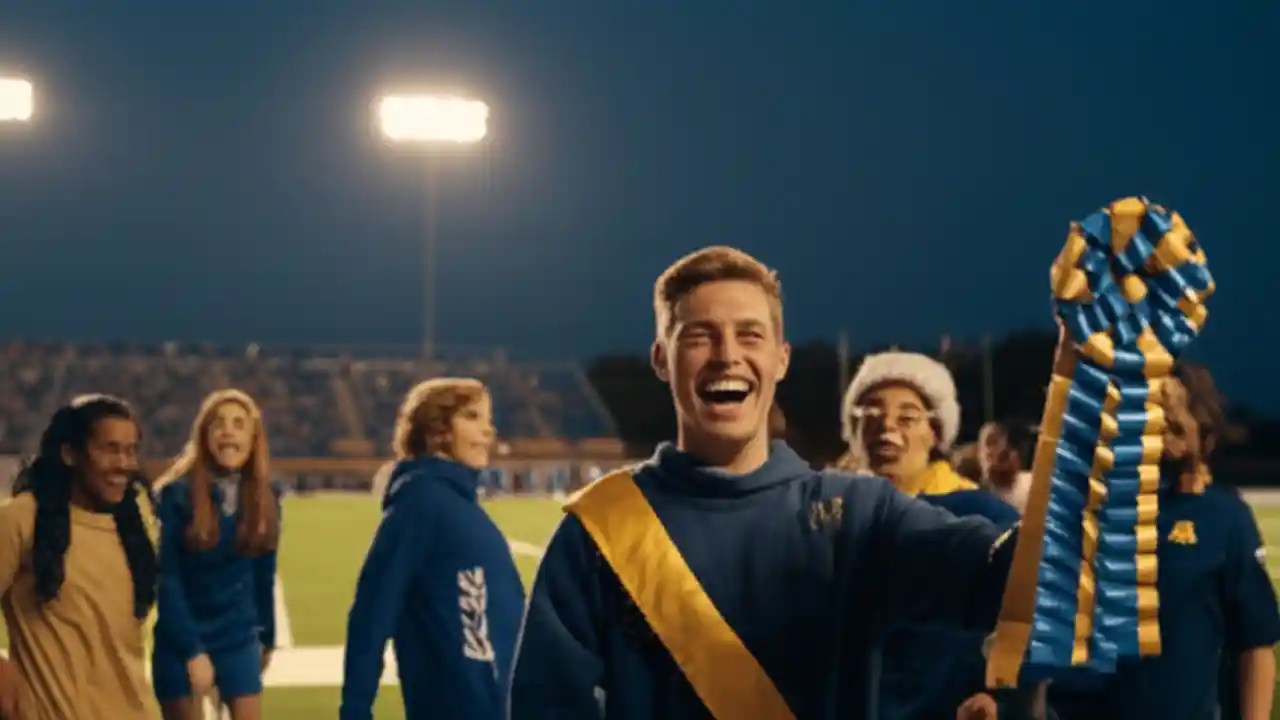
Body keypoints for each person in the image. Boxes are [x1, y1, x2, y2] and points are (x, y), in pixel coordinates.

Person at [508, 246, 1018, 720]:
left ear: (782, 358)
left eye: (749, 334)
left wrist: (1083, 399)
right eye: (699, 335)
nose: (726, 354)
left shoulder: (859, 513)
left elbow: (1006, 582)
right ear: (662, 359)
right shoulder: (601, 528)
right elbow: (546, 706)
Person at [1047, 363, 1279, 720]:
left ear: (1203, 435)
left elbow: (1255, 644)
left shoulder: (1222, 518)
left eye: (1170, 425)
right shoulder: (1089, 510)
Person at [837, 351, 1021, 719]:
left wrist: (1000, 698)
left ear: (935, 433)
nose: (887, 425)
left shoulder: (981, 514)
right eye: (870, 412)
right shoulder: (829, 515)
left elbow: (1021, 619)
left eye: (907, 416)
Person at [341, 377, 525, 720]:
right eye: (472, 417)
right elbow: (372, 611)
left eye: (488, 419)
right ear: (437, 430)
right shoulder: (421, 501)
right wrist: (355, 709)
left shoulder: (462, 506)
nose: (489, 431)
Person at [0, 395, 160, 719]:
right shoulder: (21, 519)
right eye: (110, 449)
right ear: (70, 454)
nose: (125, 463)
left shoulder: (137, 525)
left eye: (130, 451)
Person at [151, 389, 281, 720]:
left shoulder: (266, 497)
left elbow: (263, 572)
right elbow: (168, 580)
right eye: (218, 424)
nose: (228, 431)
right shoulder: (175, 495)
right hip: (182, 637)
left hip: (237, 636)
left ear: (253, 438)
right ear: (204, 436)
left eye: (239, 424)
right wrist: (192, 651)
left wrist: (266, 637)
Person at [975, 420, 1035, 514]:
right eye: (988, 456)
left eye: (1002, 456)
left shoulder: (1032, 485)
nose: (993, 463)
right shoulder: (973, 493)